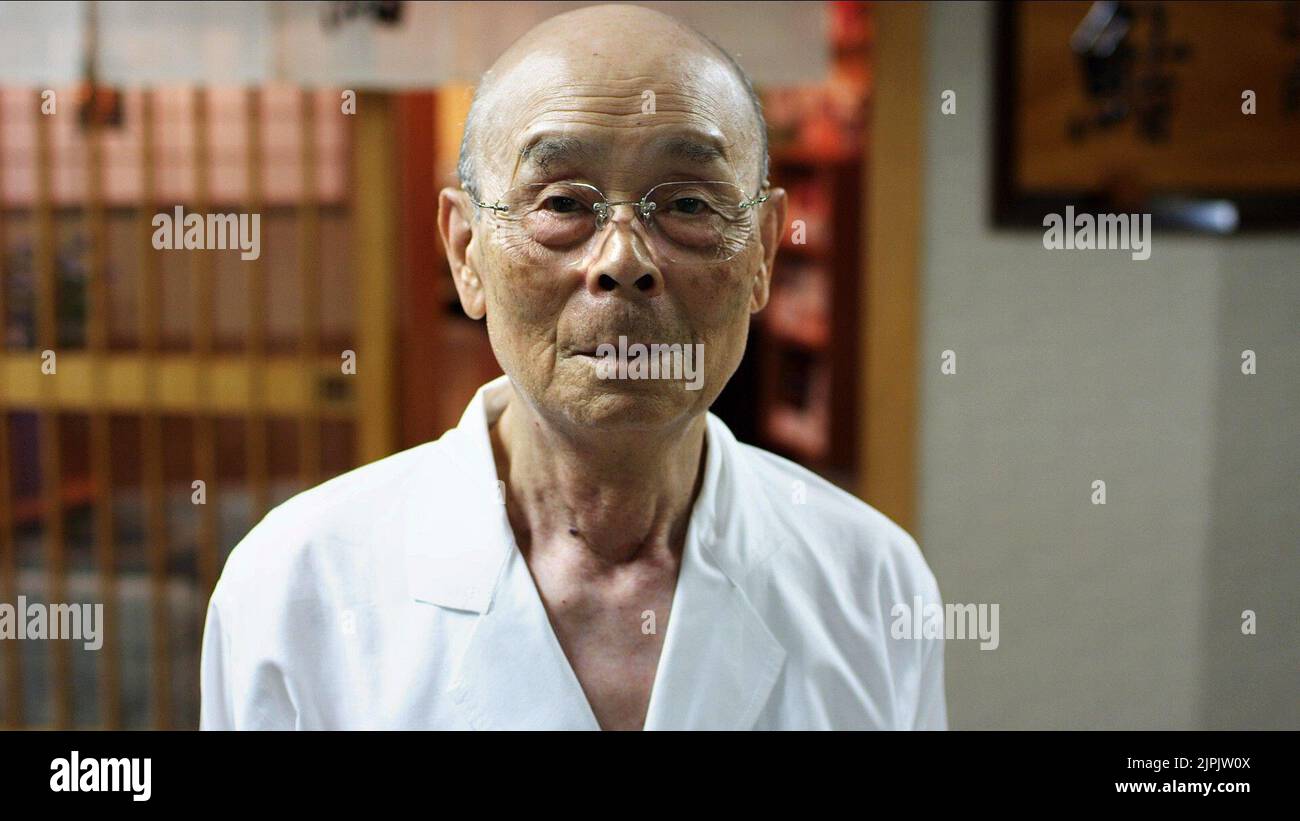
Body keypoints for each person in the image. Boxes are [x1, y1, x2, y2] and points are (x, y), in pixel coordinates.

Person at [200, 3, 945, 730]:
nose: (624, 260)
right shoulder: (294, 588)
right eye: (562, 202)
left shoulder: (873, 584)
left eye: (687, 202)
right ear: (466, 253)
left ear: (762, 253)